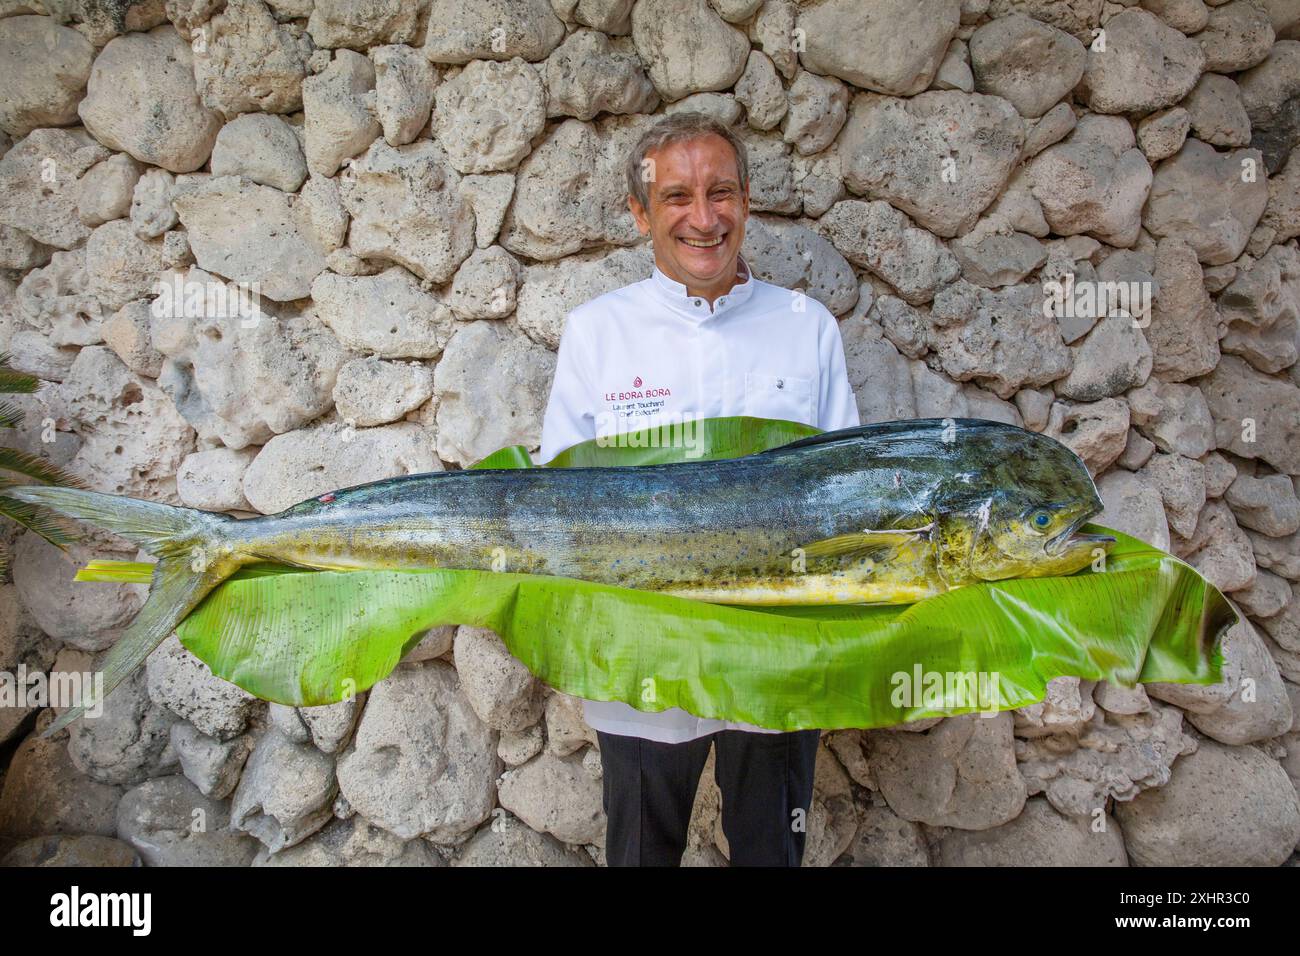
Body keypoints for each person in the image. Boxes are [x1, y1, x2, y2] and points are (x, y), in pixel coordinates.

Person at [536, 111, 861, 866]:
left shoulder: (805, 326)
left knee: (770, 857)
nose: (704, 217)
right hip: (639, 672)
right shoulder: (597, 332)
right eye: (677, 196)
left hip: (778, 665)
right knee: (642, 856)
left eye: (722, 192)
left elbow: (845, 492)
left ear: (747, 199)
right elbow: (562, 502)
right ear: (640, 213)